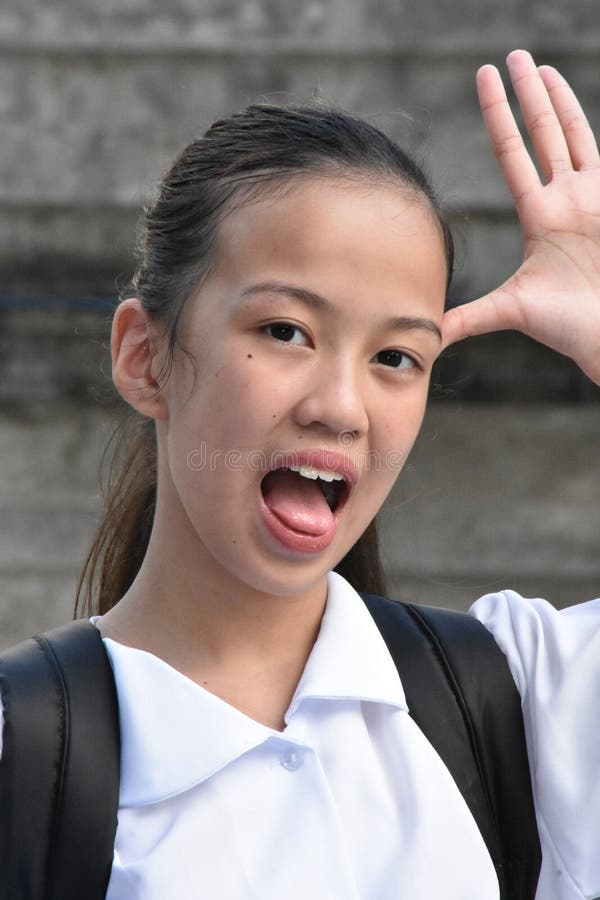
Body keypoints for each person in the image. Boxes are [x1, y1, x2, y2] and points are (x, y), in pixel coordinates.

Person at [2, 49, 600, 899]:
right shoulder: (26, 760)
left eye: (397, 356)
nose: (343, 406)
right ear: (145, 356)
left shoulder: (518, 704)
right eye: (286, 332)